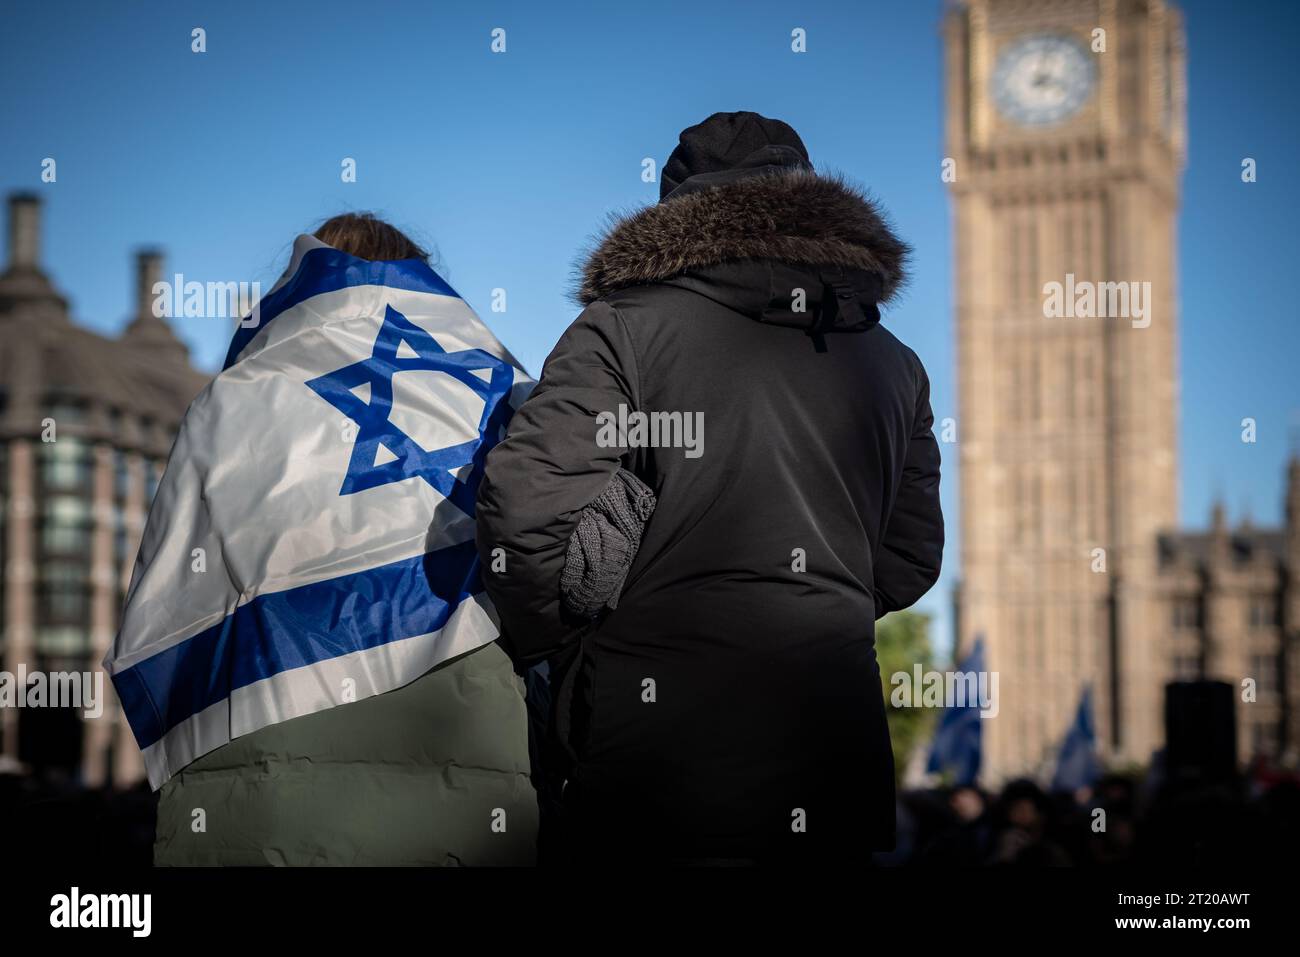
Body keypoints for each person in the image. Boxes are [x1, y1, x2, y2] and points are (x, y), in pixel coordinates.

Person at [476, 111, 944, 864]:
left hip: (653, 764)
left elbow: (527, 514)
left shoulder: (623, 327)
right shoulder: (894, 364)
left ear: (676, 212)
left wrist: (560, 643)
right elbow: (911, 557)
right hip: (833, 762)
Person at [152, 213, 538, 866]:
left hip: (261, 752)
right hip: (470, 742)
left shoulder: (230, 403)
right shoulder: (501, 391)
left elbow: (168, 605)